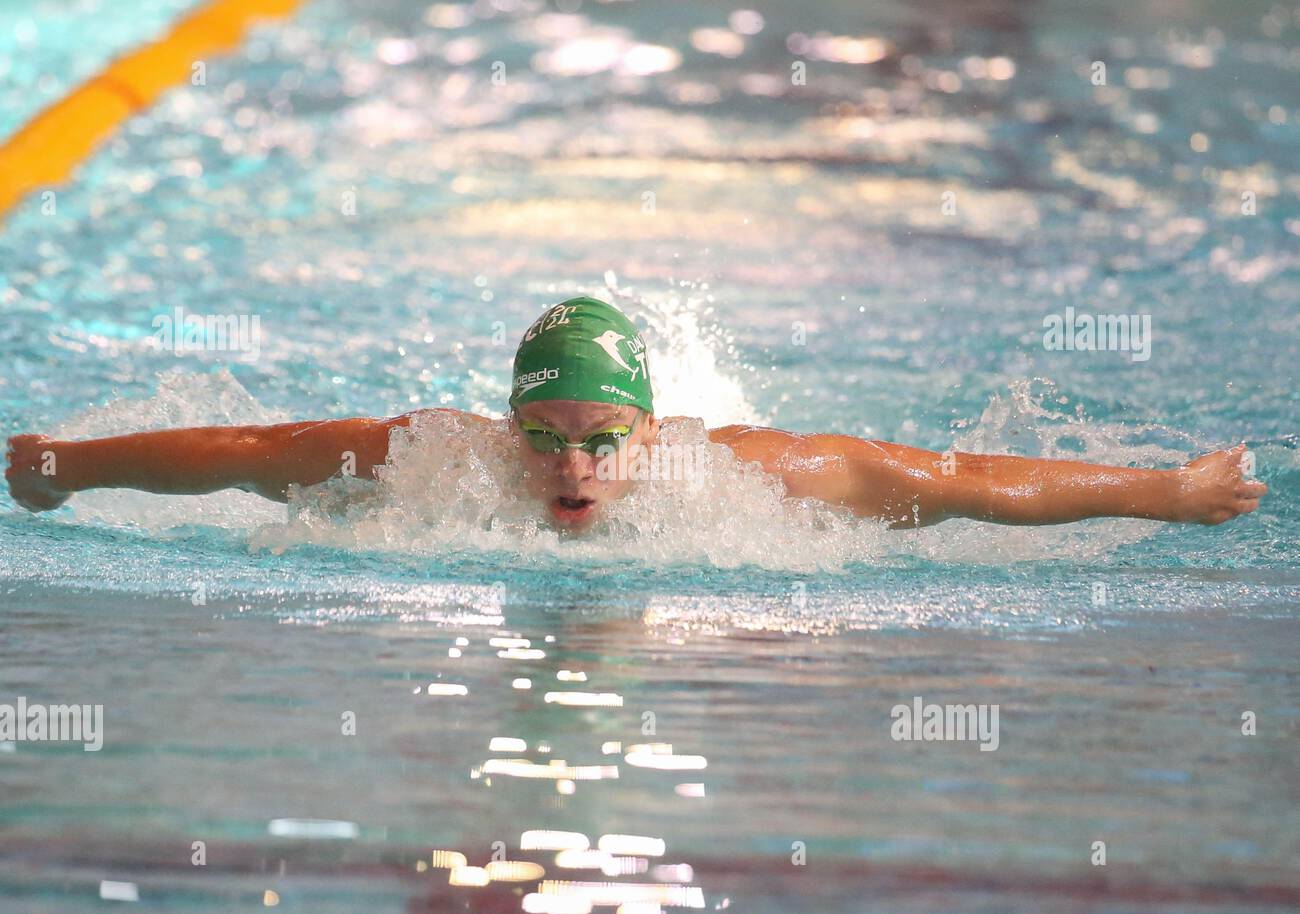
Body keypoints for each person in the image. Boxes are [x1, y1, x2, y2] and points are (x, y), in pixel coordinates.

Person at [4, 296, 1267, 531]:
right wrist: (64, 465)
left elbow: (954, 478)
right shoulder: (442, 460)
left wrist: (1165, 489)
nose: (566, 461)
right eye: (539, 432)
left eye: (597, 436)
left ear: (647, 435)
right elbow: (240, 454)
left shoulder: (748, 478)